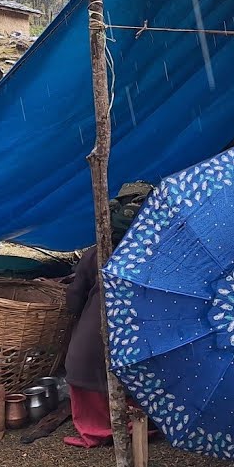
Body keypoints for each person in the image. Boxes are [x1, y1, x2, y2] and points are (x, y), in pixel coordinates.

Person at [63, 182, 154, 448]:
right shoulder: (148, 257)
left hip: (86, 358)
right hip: (127, 354)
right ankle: (128, 421)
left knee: (98, 379)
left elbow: (73, 302)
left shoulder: (94, 254)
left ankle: (103, 426)